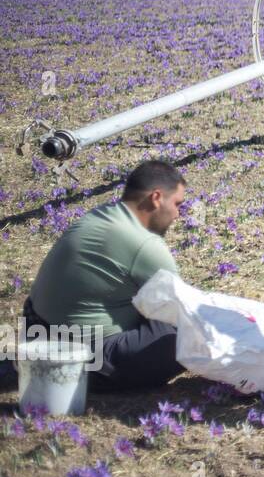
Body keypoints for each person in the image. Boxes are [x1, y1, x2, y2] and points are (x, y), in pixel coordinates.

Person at [4, 161, 189, 393]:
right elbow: (185, 310)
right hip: (83, 356)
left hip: (35, 332)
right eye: (177, 204)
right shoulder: (145, 244)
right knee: (184, 335)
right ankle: (87, 377)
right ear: (156, 198)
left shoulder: (99, 216)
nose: (178, 215)